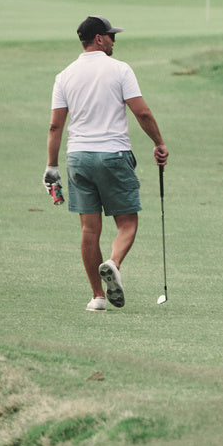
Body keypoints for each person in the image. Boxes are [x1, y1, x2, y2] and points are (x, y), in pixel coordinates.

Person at [46, 15, 170, 311]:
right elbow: (142, 113)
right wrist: (159, 143)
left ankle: (97, 297)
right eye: (111, 36)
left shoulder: (64, 75)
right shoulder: (120, 70)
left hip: (78, 158)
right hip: (113, 155)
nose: (114, 41)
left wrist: (51, 167)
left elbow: (55, 127)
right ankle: (113, 262)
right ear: (99, 39)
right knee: (127, 223)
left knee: (89, 230)